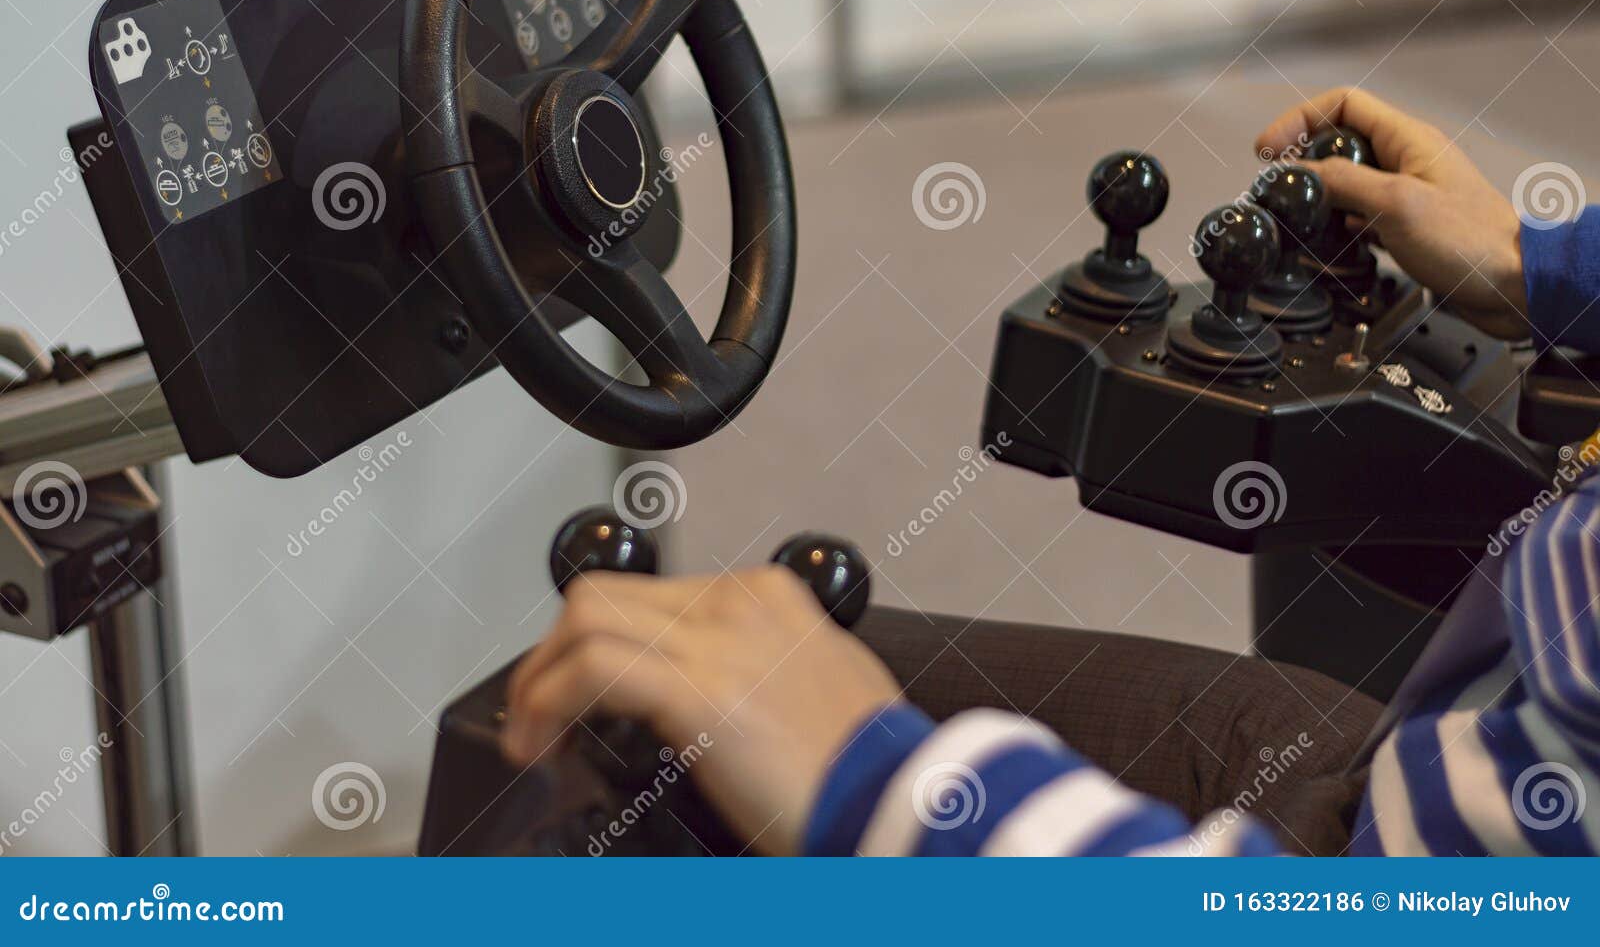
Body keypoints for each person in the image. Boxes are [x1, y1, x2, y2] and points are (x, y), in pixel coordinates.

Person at [499, 87, 1599, 856]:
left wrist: (873, 788)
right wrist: (1542, 265)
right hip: (1447, 762)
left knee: (652, 729)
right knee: (695, 662)